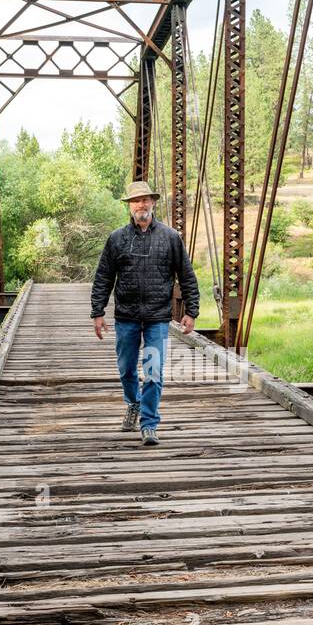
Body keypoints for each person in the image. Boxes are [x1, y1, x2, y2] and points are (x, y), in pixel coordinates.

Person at [90, 180, 199, 446]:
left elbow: (186, 276)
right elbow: (103, 277)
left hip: (157, 317)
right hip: (126, 316)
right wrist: (98, 312)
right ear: (129, 206)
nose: (141, 204)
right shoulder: (117, 238)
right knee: (126, 369)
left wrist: (191, 310)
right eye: (136, 200)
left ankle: (149, 424)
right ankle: (133, 403)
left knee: (153, 371)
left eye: (146, 199)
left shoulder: (170, 237)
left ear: (153, 203)